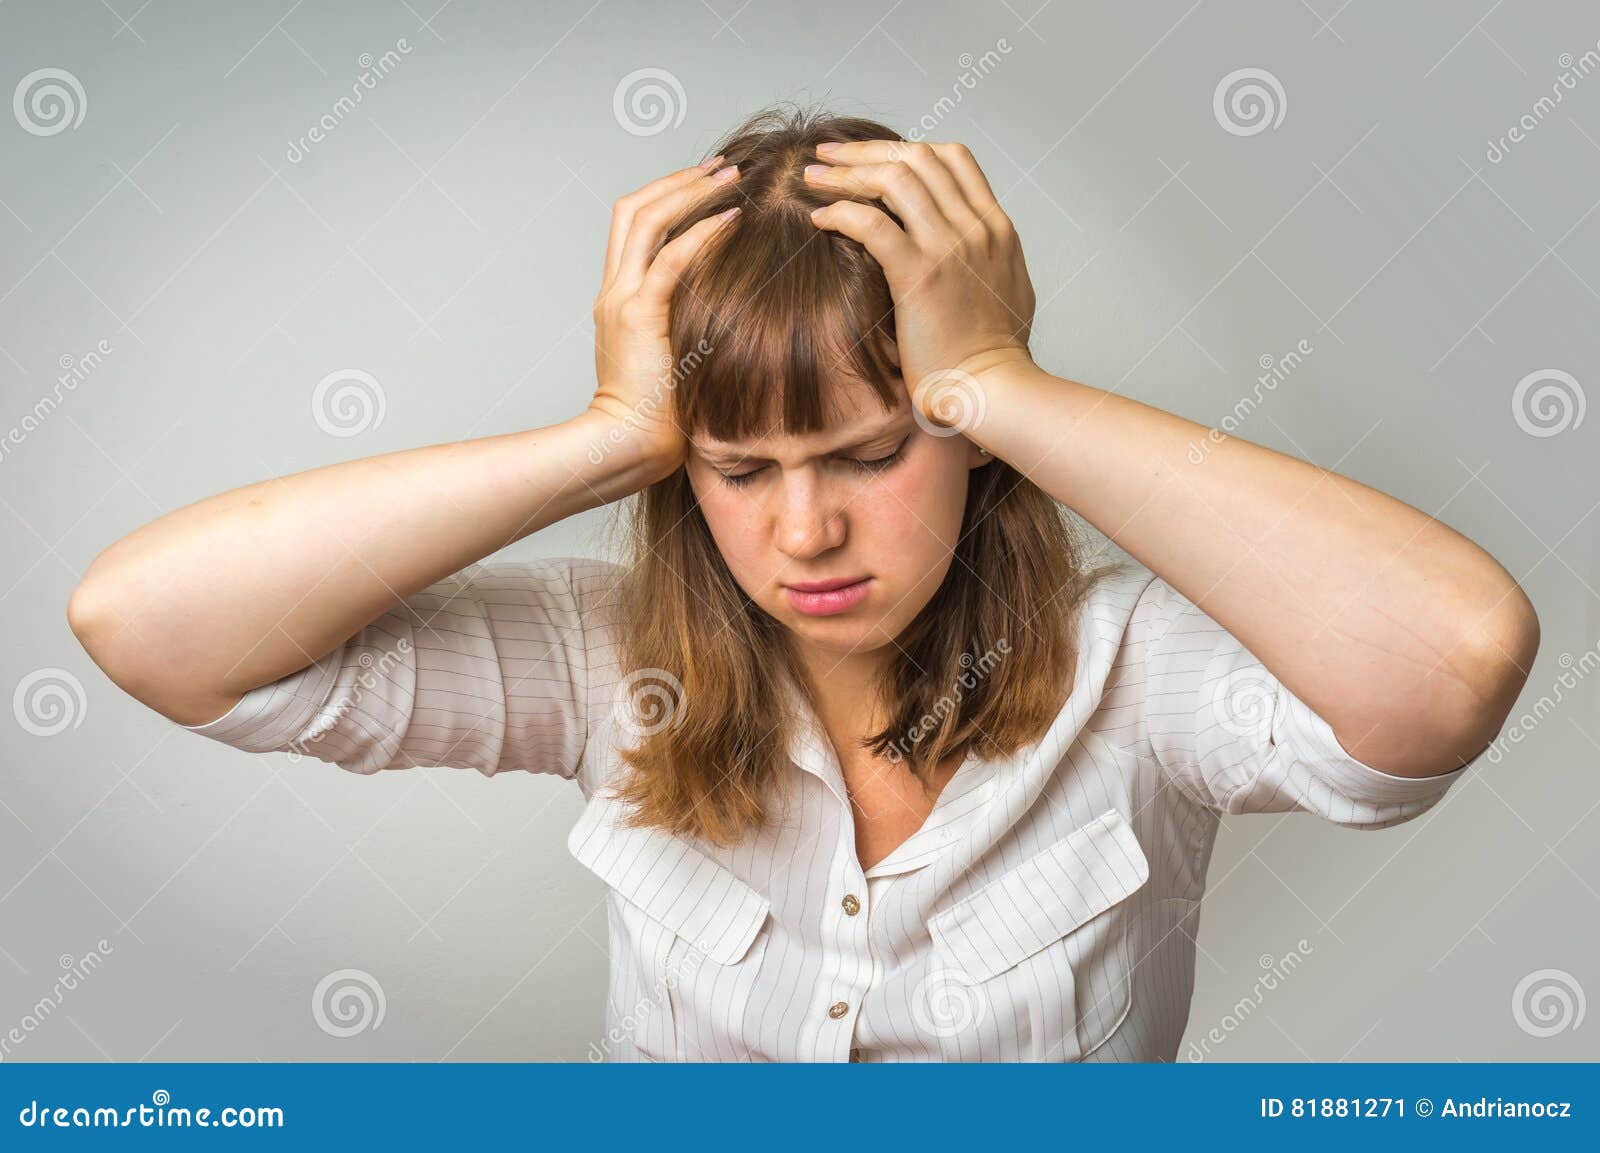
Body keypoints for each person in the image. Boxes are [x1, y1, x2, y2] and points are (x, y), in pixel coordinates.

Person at [66, 106, 1538, 1062]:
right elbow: (149, 627)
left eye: (871, 452)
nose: (806, 532)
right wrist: (607, 439)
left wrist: (1005, 382)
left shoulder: (1135, 673)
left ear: (963, 435)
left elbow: (1454, 658)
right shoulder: (608, 659)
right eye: (738, 468)